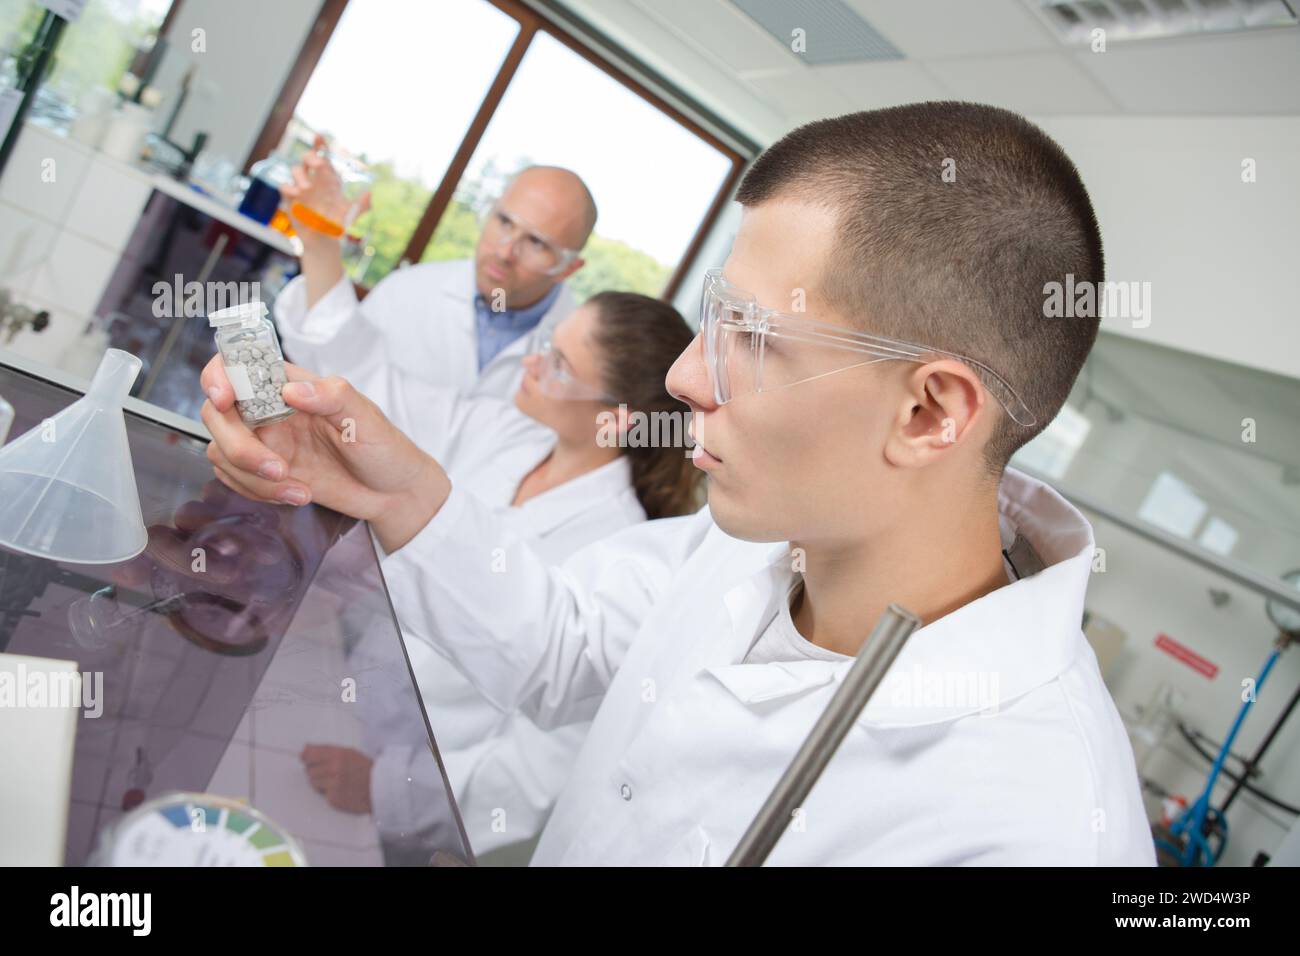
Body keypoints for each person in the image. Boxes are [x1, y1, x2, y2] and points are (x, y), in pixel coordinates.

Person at [200, 102, 1156, 866]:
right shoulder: (745, 546)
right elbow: (560, 649)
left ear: (929, 414)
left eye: (755, 338)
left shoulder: (1044, 825)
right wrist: (384, 491)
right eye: (711, 320)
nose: (685, 379)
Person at [208, 292, 700, 859]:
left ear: (616, 422)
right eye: (546, 343)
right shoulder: (506, 434)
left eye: (559, 363)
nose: (531, 362)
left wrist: (386, 786)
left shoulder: (620, 553)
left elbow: (535, 771)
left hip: (393, 778)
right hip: (337, 686)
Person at [273, 136, 597, 403]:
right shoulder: (409, 290)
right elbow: (332, 366)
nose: (505, 252)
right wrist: (320, 248)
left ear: (568, 269)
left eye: (537, 243)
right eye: (503, 222)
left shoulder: (582, 361)